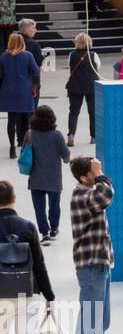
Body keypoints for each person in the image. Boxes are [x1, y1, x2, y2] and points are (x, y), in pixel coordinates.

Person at [0, 179, 54, 334]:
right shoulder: (28, 227)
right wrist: (49, 296)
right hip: (26, 294)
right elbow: (39, 266)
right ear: (14, 199)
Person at [69, 157, 117, 334]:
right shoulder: (82, 196)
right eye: (93, 171)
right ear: (83, 177)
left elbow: (105, 192)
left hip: (101, 262)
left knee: (102, 318)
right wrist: (100, 175)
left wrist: (98, 175)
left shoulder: (89, 193)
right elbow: (106, 194)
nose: (98, 174)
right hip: (90, 265)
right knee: (90, 316)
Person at [24, 105, 69, 245]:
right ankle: (54, 228)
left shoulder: (30, 134)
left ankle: (44, 232)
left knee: (39, 207)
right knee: (54, 205)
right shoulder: (57, 135)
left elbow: (23, 153)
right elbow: (66, 156)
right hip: (54, 177)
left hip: (36, 177)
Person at [1, 33, 39, 159]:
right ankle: (29, 147)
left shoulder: (4, 57)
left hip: (9, 91)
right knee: (29, 119)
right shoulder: (28, 55)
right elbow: (36, 71)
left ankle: (12, 147)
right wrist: (35, 86)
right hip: (25, 91)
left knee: (11, 120)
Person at [65, 33, 100, 147]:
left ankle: (71, 135)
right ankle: (94, 137)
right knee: (93, 111)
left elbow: (69, 66)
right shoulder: (93, 55)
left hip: (75, 86)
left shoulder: (71, 54)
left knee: (74, 112)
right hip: (91, 86)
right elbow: (97, 67)